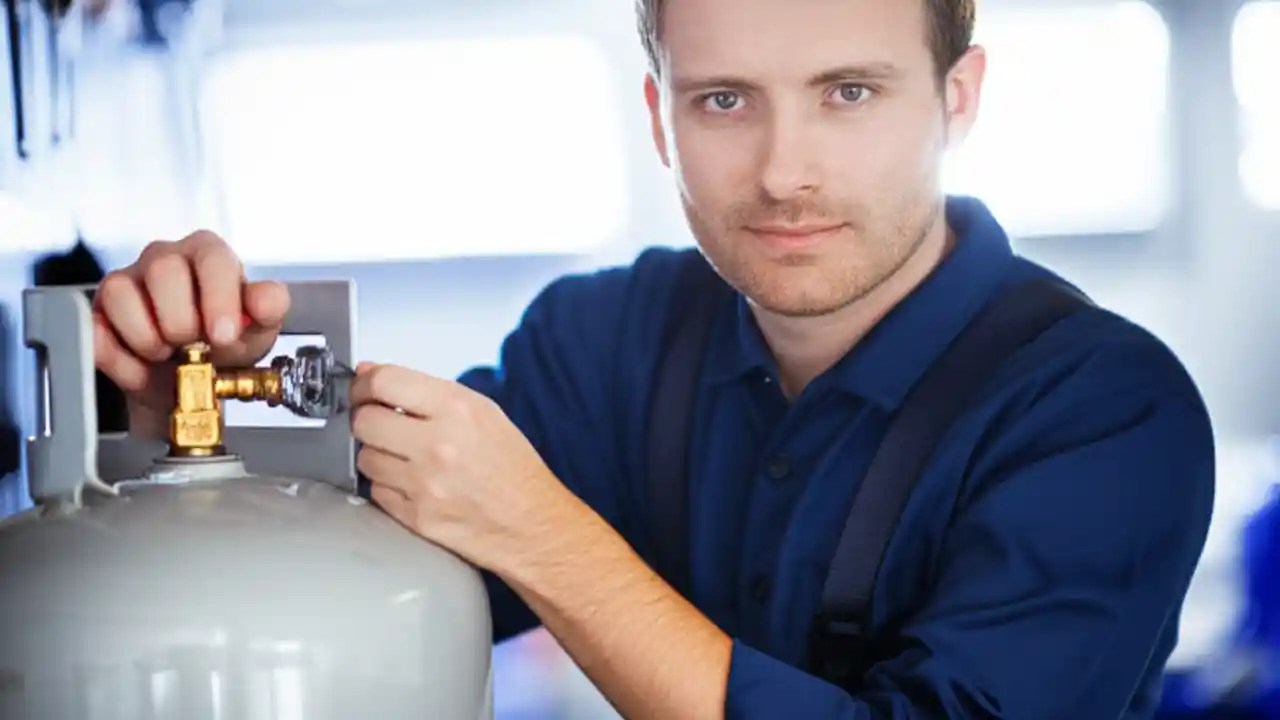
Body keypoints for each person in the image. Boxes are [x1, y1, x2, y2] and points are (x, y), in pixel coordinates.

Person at [89, 0, 1215, 717]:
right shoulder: (605, 338)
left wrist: (543, 533)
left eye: (848, 93)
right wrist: (190, 409)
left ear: (954, 100)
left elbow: (512, 522)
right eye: (723, 100)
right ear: (659, 118)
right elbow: (387, 557)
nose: (783, 172)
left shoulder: (1104, 413)